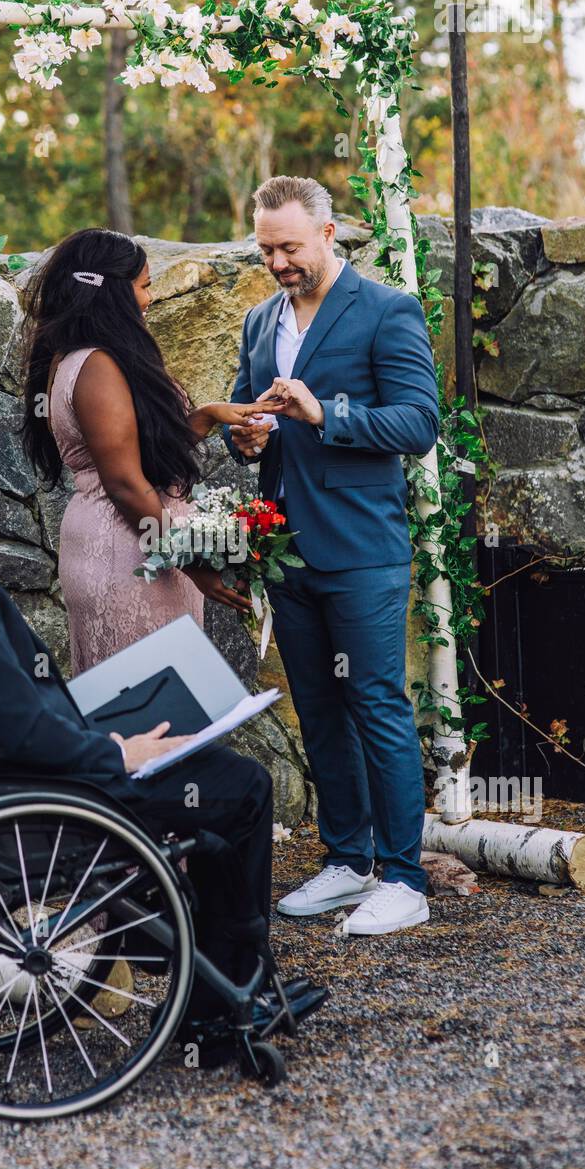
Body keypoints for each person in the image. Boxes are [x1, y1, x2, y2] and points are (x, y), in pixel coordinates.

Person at [0, 382, 324, 1058]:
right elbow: (17, 726)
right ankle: (224, 1007)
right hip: (28, 796)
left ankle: (211, 980)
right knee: (240, 786)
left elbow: (0, 708)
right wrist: (116, 752)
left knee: (205, 762)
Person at [223, 175, 440, 936]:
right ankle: (349, 861)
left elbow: (418, 423)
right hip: (288, 551)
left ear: (328, 233)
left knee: (376, 706)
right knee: (318, 709)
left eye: (288, 247)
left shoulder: (387, 310)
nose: (277, 263)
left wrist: (326, 413)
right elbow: (247, 415)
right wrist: (246, 437)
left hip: (361, 548)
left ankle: (405, 879)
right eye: (265, 250)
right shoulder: (259, 320)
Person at [20, 228, 284, 672]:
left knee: (152, 695)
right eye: (144, 286)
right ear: (114, 291)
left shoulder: (79, 356)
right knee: (149, 695)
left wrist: (206, 416)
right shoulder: (98, 366)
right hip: (128, 552)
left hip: (141, 543)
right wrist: (193, 562)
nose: (150, 297)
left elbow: (135, 455)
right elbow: (125, 482)